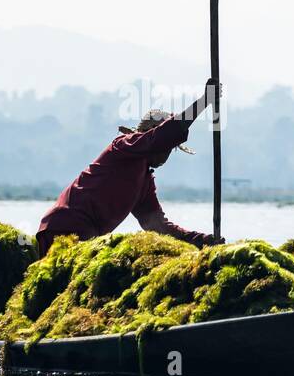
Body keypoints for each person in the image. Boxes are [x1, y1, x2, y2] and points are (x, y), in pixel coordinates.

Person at [35, 80, 225, 256]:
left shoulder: (144, 183)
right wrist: (203, 102)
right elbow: (163, 135)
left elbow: (158, 226)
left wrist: (204, 241)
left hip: (89, 236)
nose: (166, 154)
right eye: (165, 147)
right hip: (65, 227)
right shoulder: (124, 146)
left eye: (170, 149)